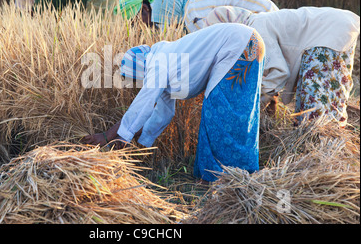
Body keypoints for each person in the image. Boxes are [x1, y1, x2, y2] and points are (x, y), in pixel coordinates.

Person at [81, 23, 266, 182]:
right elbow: (164, 113)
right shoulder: (167, 61)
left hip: (239, 44)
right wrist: (142, 140)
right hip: (252, 41)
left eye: (137, 79)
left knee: (218, 113)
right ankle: (242, 174)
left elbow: (145, 100)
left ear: (139, 68)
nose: (140, 84)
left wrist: (112, 135)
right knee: (240, 112)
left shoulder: (157, 61)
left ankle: (218, 178)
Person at [201, 5, 360, 127]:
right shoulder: (256, 22)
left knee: (314, 104)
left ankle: (321, 150)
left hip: (328, 31)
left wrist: (255, 104)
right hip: (339, 26)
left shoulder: (256, 29)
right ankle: (331, 142)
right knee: (332, 92)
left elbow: (278, 73)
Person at [142, 0, 279, 32]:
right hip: (272, 16)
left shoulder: (194, 15)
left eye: (134, 21)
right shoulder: (195, 0)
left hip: (267, 20)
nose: (138, 26)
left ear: (145, 9)